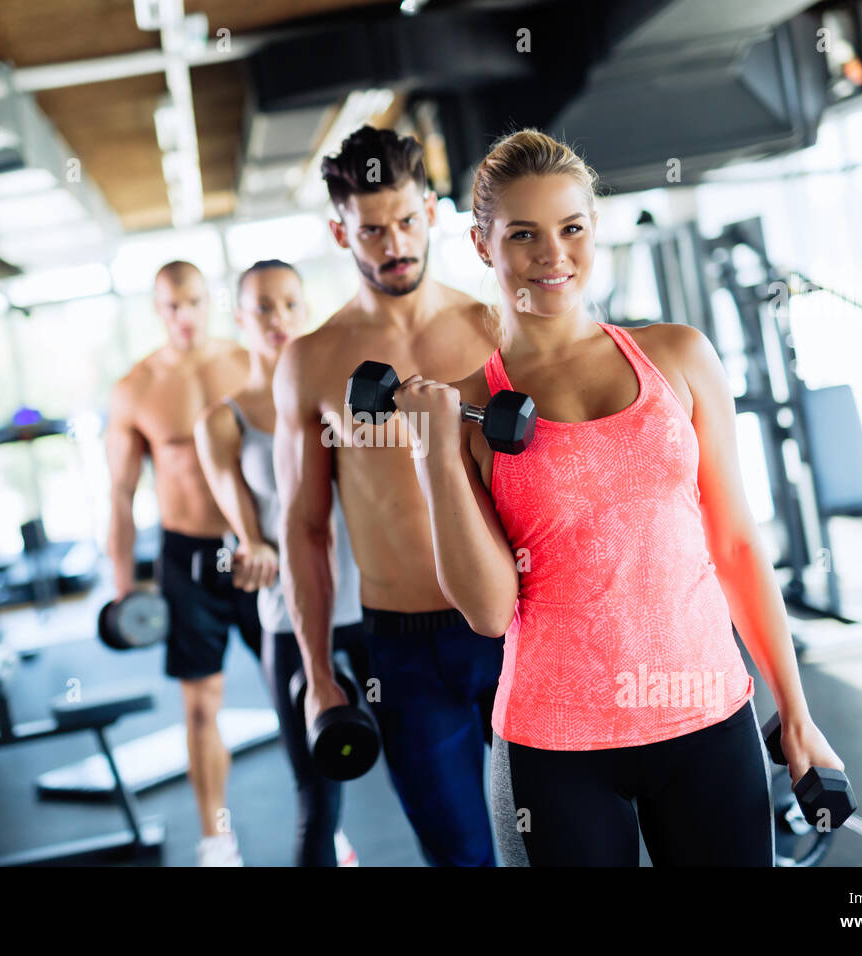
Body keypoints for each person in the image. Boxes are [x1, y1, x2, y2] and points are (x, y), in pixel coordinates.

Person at [393, 128, 845, 866]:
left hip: (707, 715)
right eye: (523, 235)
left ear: (594, 227)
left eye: (571, 227)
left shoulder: (680, 355)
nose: (552, 255)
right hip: (555, 743)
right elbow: (486, 610)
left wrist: (795, 713)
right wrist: (432, 454)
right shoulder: (470, 407)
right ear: (481, 243)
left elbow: (733, 545)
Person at [274, 126, 504, 866]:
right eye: (371, 230)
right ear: (341, 231)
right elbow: (305, 529)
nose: (393, 242)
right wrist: (315, 677)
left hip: (515, 624)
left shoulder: (492, 327)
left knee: (564, 840)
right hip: (401, 650)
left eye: (406, 221)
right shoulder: (310, 362)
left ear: (431, 212)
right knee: (460, 853)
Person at [194, 259, 364, 867]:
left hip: (373, 608)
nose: (278, 319)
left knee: (423, 777)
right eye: (263, 307)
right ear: (240, 318)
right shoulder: (223, 420)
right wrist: (254, 547)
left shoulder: (345, 396)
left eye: (290, 304)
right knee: (318, 795)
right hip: (293, 621)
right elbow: (246, 530)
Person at [104, 259, 261, 867]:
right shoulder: (136, 390)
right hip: (187, 556)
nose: (184, 316)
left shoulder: (245, 364)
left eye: (193, 302)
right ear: (156, 310)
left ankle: (322, 823)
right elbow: (119, 496)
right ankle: (217, 839)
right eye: (171, 306)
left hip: (256, 548)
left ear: (210, 301)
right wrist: (125, 592)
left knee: (298, 687)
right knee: (200, 704)